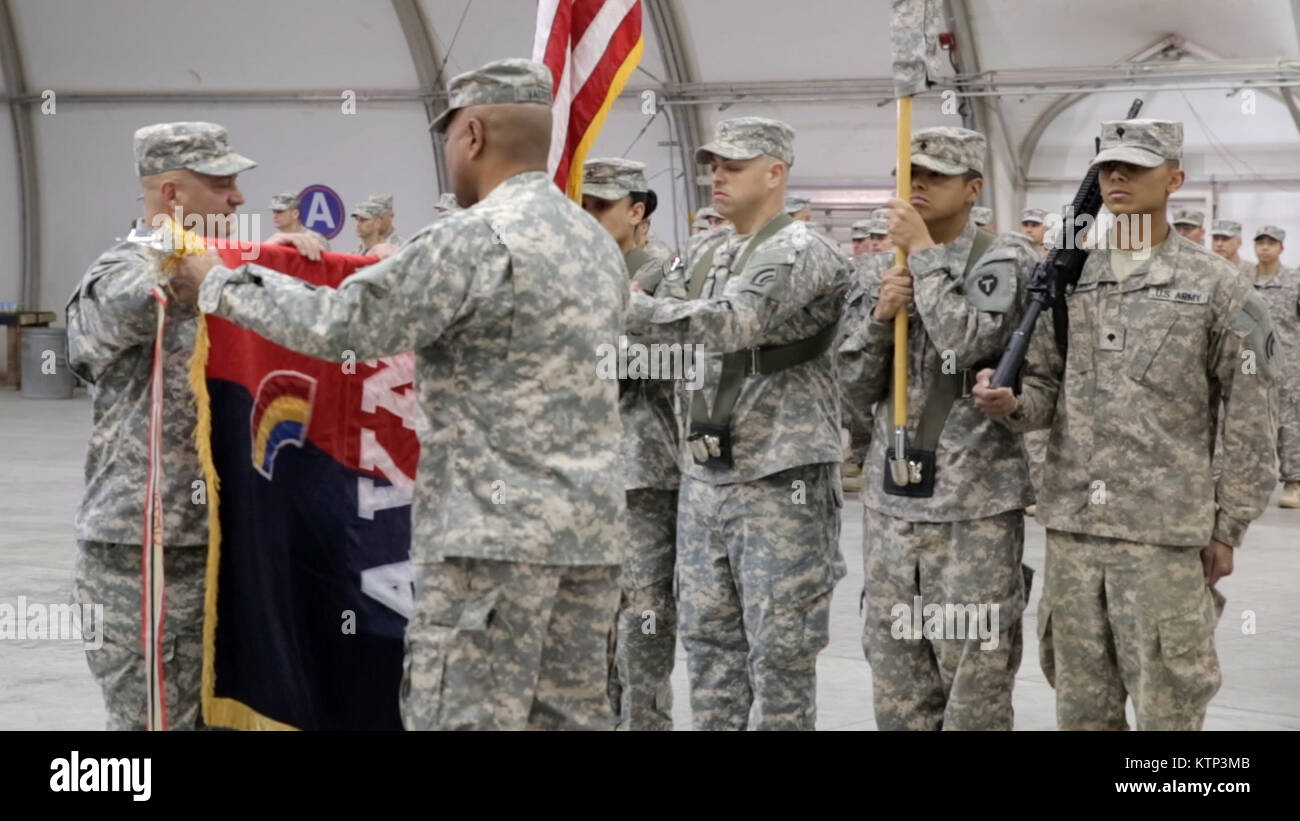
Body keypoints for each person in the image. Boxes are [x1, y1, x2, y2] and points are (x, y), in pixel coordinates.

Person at [171, 59, 629, 731]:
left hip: (489, 546)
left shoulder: (475, 237)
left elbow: (346, 325)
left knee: (459, 717)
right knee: (568, 719)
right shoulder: (594, 243)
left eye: (447, 138)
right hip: (589, 541)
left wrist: (219, 282)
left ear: (470, 134)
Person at [972, 118, 1279, 730]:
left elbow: (1249, 413)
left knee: (1170, 706)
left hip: (1163, 536)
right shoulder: (1067, 275)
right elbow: (1045, 387)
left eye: (1136, 166)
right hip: (1074, 531)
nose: (1118, 175)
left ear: (1174, 180)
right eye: (1108, 165)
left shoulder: (1216, 284)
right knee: (1081, 707)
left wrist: (1229, 526)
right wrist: (1013, 406)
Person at [66, 121, 319, 730]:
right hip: (149, 550)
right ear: (173, 194)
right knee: (158, 723)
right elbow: (99, 329)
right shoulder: (122, 272)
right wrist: (180, 257)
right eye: (222, 184)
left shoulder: (226, 268)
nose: (238, 199)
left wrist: (293, 262)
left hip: (235, 541)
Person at [625, 116, 849, 730]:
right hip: (704, 477)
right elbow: (654, 328)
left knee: (778, 652)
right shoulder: (703, 251)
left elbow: (733, 322)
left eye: (734, 165)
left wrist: (631, 306)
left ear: (775, 173)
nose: (716, 175)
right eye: (713, 165)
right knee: (708, 647)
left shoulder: (802, 250)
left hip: (779, 478)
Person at [837, 126, 1037, 730]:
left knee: (974, 679)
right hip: (893, 504)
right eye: (910, 175)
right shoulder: (879, 273)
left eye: (935, 177)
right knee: (898, 679)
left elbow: (967, 339)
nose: (917, 185)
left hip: (971, 506)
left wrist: (923, 255)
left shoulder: (1005, 259)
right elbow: (847, 393)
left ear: (973, 188)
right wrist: (879, 319)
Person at [580, 157, 680, 730]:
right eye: (584, 206)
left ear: (636, 211)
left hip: (642, 469)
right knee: (592, 619)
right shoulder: (585, 269)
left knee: (643, 617)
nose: (589, 217)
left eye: (601, 206)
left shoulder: (664, 272)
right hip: (588, 471)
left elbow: (647, 364)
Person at [1251, 225, 1300, 508]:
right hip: (1250, 362)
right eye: (1260, 243)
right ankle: (1251, 482)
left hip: (1286, 364)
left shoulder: (1294, 281)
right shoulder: (1243, 279)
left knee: (1289, 424)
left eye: (1271, 243)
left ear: (1281, 247)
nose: (1265, 248)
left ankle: (1293, 482)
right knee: (1249, 422)